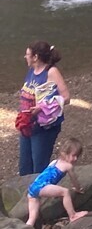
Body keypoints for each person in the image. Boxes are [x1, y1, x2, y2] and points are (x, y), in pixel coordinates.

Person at [16, 42, 70, 176]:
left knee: (39, 166)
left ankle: (43, 193)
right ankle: (27, 194)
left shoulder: (51, 72)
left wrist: (41, 107)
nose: (25, 57)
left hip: (44, 127)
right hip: (28, 124)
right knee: (24, 166)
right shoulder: (31, 71)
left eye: (27, 54)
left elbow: (66, 97)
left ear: (36, 57)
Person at [24, 136, 85, 226]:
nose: (75, 159)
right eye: (73, 155)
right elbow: (74, 180)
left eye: (77, 156)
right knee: (65, 192)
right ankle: (73, 215)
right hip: (42, 186)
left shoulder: (54, 162)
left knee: (32, 219)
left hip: (33, 188)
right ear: (64, 153)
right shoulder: (68, 166)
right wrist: (78, 189)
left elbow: (46, 174)